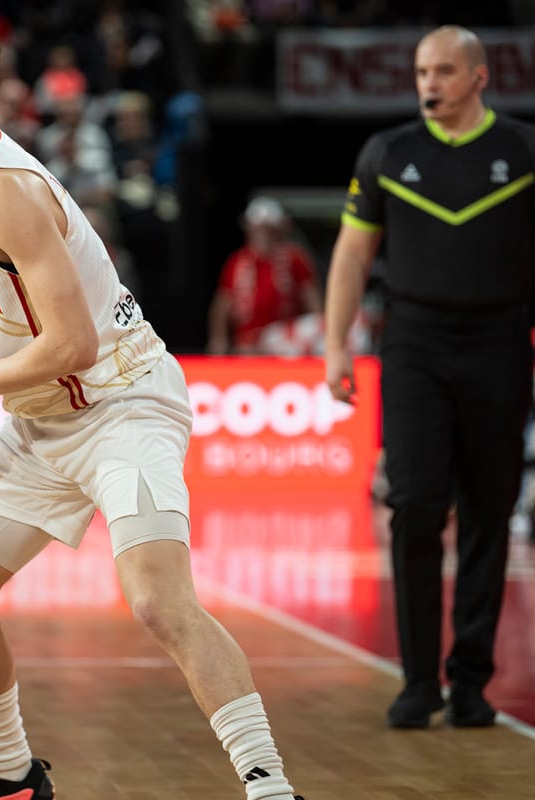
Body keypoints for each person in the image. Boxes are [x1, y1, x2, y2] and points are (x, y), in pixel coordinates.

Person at [0, 15, 303, 800]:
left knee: (157, 602)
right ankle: (9, 775)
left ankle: (270, 787)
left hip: (121, 406)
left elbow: (73, 343)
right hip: (41, 418)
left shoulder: (6, 190)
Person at [324, 25, 535, 730]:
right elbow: (352, 258)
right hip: (413, 343)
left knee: (489, 508)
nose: (428, 84)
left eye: (443, 71)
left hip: (502, 339)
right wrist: (336, 348)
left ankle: (470, 680)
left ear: (479, 77)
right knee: (414, 504)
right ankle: (419, 680)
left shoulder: (522, 151)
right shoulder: (388, 152)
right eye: (421, 72)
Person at [208, 197, 320, 355]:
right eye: (258, 229)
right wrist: (218, 339)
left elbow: (311, 300)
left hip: (285, 346)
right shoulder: (237, 261)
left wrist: (317, 335)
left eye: (269, 229)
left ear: (279, 230)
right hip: (246, 346)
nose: (263, 235)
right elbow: (221, 306)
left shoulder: (295, 258)